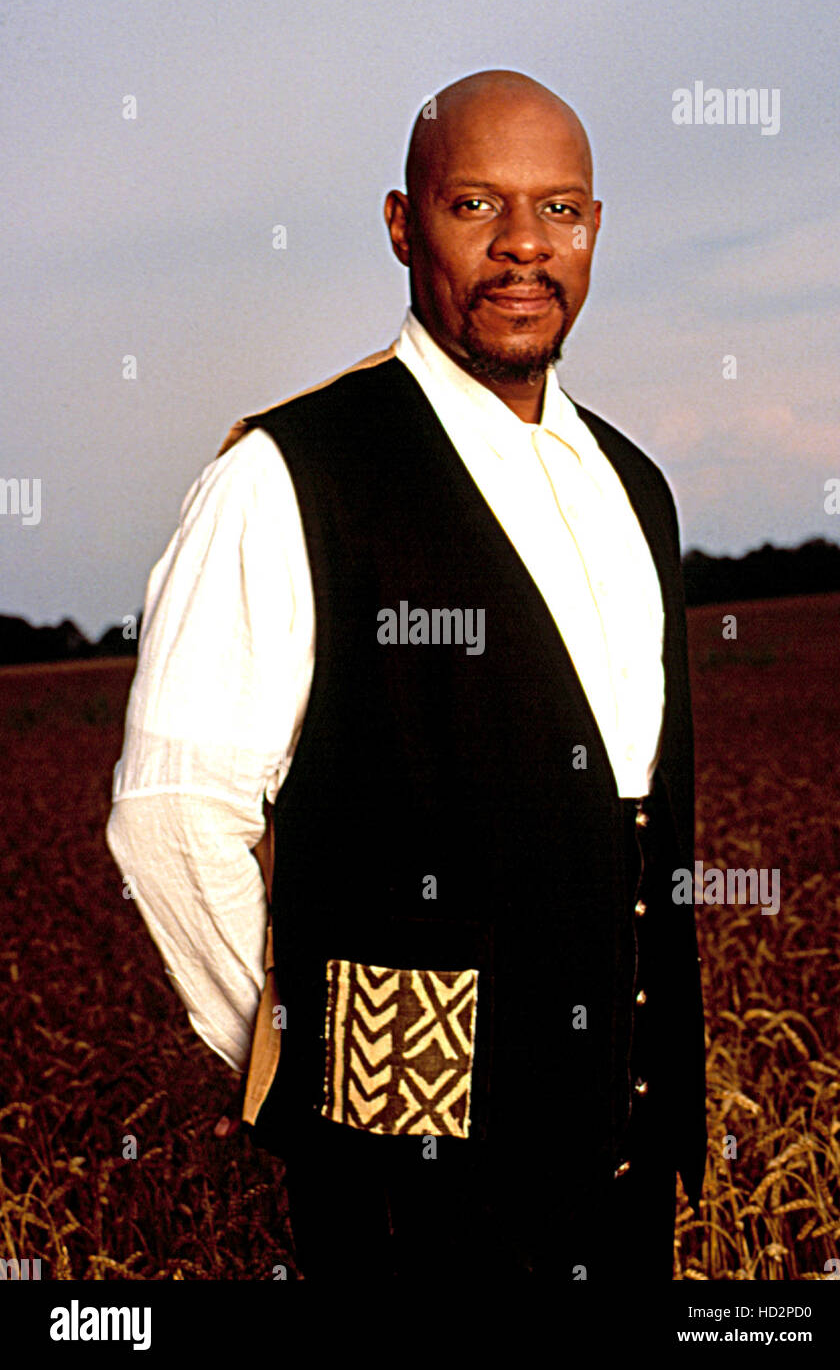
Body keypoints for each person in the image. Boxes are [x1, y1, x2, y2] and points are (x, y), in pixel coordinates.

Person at [107, 69, 707, 1281]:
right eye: (476, 205)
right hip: (413, 1200)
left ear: (596, 228)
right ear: (401, 222)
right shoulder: (289, 475)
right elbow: (170, 823)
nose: (525, 247)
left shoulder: (637, 484)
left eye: (563, 211)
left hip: (633, 1167)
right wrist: (331, 1078)